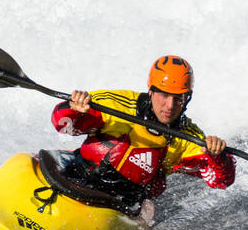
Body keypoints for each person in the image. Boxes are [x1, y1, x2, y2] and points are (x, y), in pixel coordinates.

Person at [49, 55, 234, 217]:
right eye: (164, 95)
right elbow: (61, 125)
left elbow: (221, 181)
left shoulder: (188, 138)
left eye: (178, 98)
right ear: (151, 90)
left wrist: (217, 157)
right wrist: (74, 110)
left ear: (188, 97)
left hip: (120, 207)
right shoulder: (116, 103)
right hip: (77, 177)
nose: (170, 105)